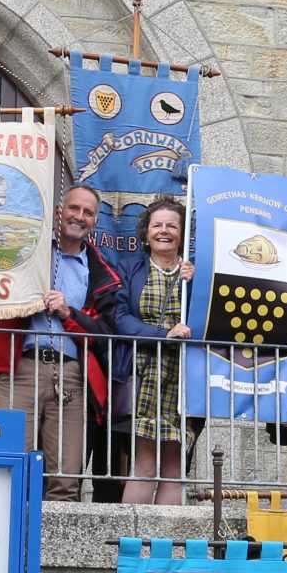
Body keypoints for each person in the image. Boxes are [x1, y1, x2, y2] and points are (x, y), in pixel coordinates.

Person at [0, 185, 141, 502]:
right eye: (74, 208)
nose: (79, 217)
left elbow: (106, 333)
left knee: (65, 481)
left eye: (88, 213)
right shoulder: (28, 252)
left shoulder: (100, 272)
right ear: (60, 212)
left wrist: (68, 312)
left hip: (71, 374)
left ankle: (52, 551)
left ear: (95, 223)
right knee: (9, 466)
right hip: (21, 369)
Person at [120, 197, 194, 506]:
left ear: (182, 233)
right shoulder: (130, 267)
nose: (164, 231)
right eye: (157, 225)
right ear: (146, 232)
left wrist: (198, 283)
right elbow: (120, 318)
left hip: (184, 375)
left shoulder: (195, 274)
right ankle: (130, 546)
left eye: (172, 226)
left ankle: (166, 548)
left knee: (174, 467)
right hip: (144, 372)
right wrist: (163, 335)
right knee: (145, 464)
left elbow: (207, 319)